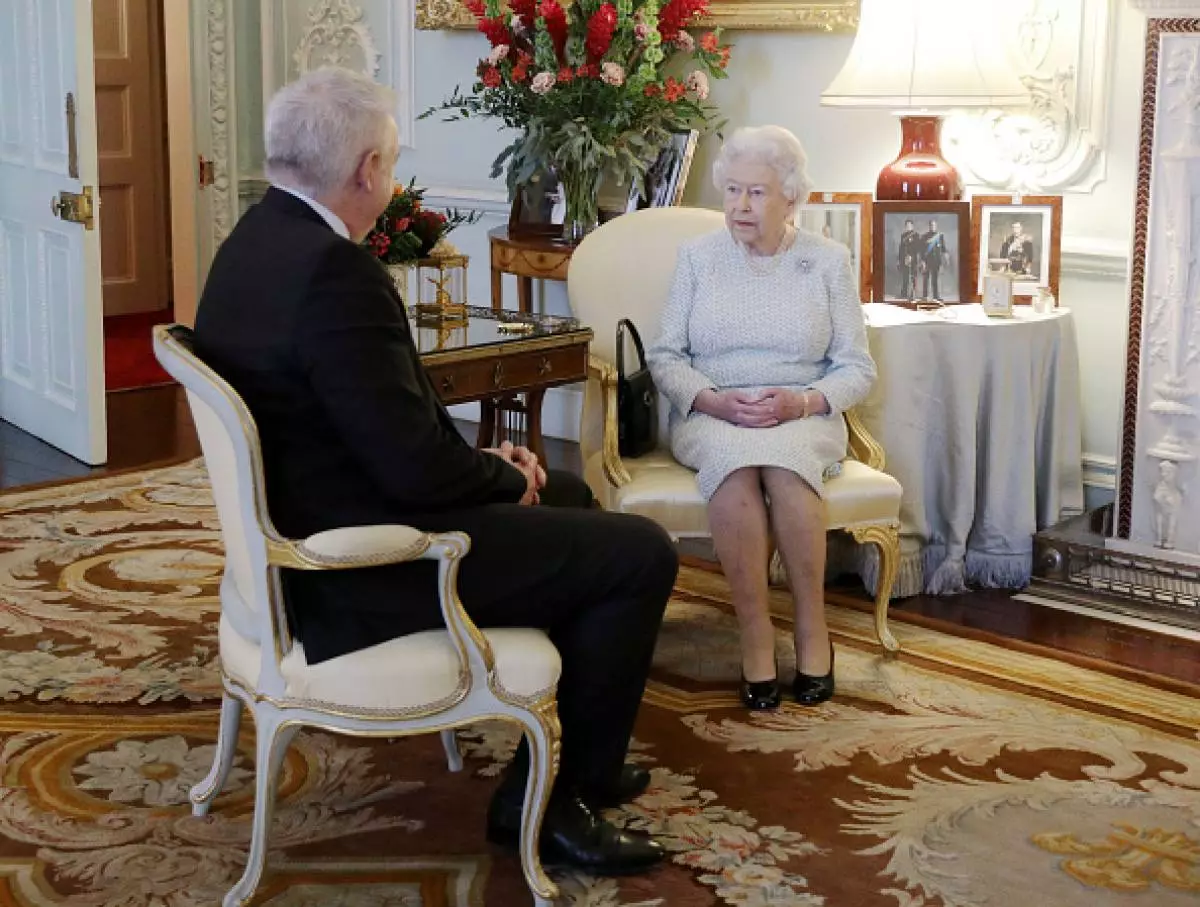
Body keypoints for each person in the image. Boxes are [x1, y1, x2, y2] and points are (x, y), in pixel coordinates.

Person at [192, 67, 674, 875]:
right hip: (362, 566)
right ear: (368, 172)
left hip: (314, 517)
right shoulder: (335, 274)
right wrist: (498, 476)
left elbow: (378, 433)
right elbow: (413, 465)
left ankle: (578, 758)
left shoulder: (252, 241)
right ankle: (548, 805)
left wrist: (492, 467)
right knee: (640, 553)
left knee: (574, 495)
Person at [646, 125, 876, 711]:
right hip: (712, 408)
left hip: (802, 409)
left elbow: (857, 368)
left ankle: (810, 628)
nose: (739, 205)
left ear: (791, 199)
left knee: (787, 469)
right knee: (735, 470)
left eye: (756, 194)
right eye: (732, 191)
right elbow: (666, 355)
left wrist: (802, 403)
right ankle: (753, 632)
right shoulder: (697, 258)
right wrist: (713, 400)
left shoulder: (827, 261)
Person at [920, 218, 948, 301]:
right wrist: (922, 261)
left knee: (935, 279)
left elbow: (943, 248)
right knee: (926, 279)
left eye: (934, 225)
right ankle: (925, 296)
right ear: (929, 226)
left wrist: (946, 258)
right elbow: (921, 250)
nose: (933, 226)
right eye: (931, 225)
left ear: (936, 226)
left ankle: (936, 296)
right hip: (927, 261)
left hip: (936, 261)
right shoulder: (924, 236)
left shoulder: (940, 236)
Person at [898, 219, 921, 300]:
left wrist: (912, 256)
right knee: (905, 277)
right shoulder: (903, 235)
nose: (908, 227)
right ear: (905, 226)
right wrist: (899, 259)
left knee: (913, 277)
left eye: (909, 225)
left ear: (912, 226)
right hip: (904, 259)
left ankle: (913, 294)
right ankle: (904, 294)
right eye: (906, 225)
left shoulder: (916, 235)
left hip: (913, 259)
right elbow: (901, 248)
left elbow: (918, 248)